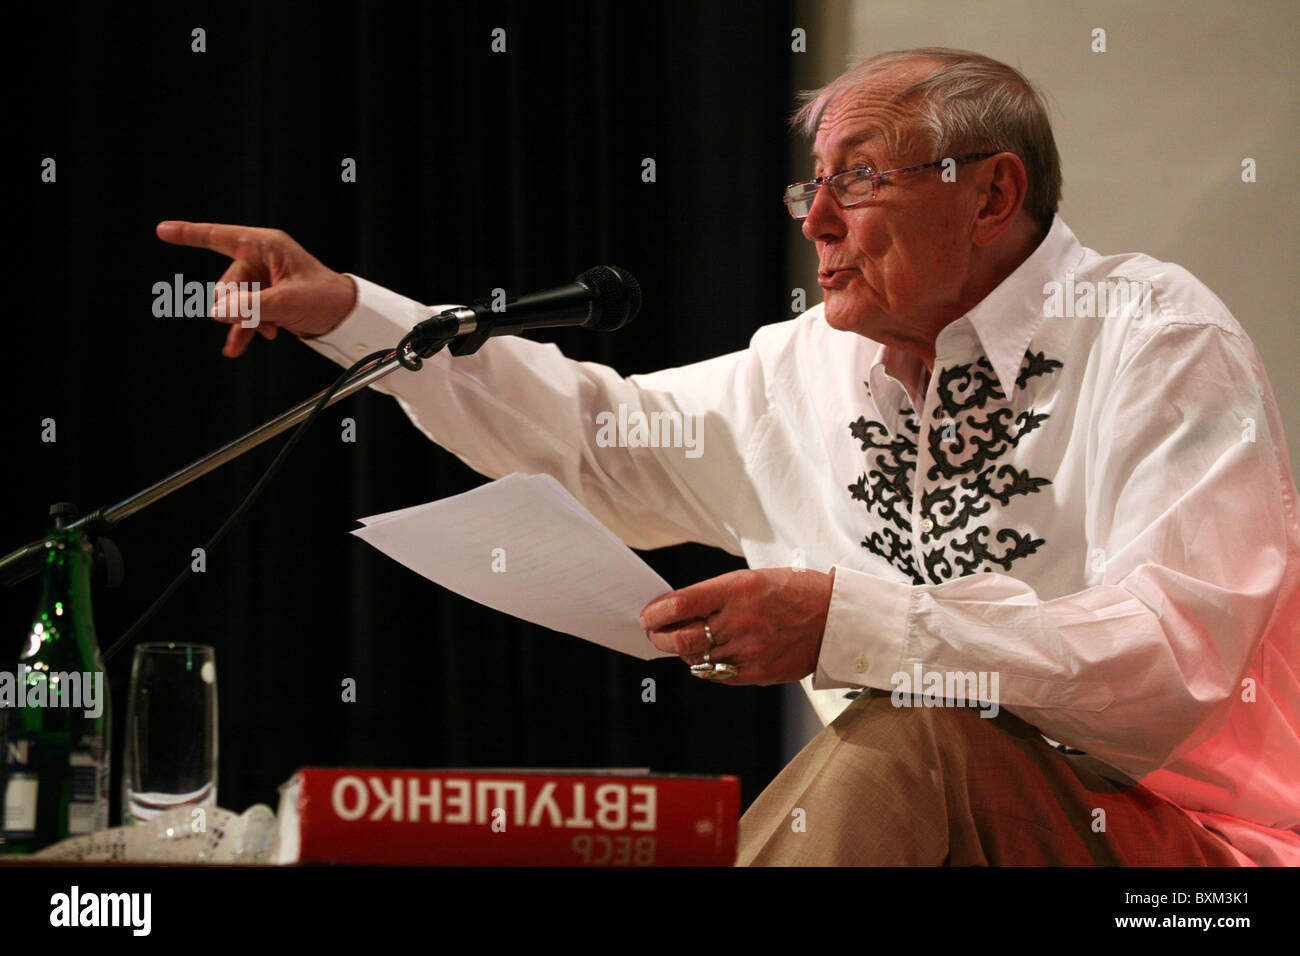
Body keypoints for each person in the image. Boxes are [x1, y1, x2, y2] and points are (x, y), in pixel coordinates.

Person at [156, 47, 1299, 866]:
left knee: (912, 728)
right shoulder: (800, 368)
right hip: (918, 827)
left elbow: (1173, 654)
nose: (816, 223)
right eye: (814, 186)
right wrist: (351, 312)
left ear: (991, 191)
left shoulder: (1154, 336)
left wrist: (846, 621)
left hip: (1178, 844)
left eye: (859, 177)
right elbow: (589, 437)